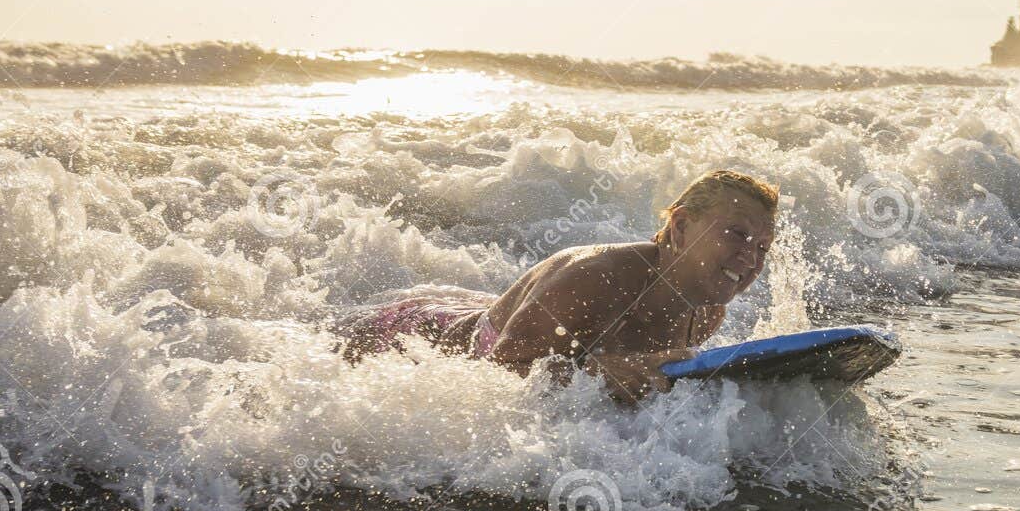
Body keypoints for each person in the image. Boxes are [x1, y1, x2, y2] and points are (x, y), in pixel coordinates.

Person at [333, 170, 779, 403]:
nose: (751, 258)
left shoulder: (706, 310)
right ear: (680, 227)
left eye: (762, 247)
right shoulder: (593, 277)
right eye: (738, 235)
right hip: (410, 332)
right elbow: (498, 372)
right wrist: (605, 374)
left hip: (513, 314)